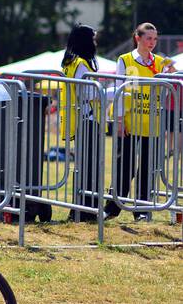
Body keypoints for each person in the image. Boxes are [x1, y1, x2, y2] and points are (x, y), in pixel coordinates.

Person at [114, 23, 177, 221]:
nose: (152, 42)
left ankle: (142, 209)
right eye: (148, 38)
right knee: (125, 165)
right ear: (137, 38)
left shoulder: (159, 62)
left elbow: (172, 83)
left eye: (155, 39)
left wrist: (171, 68)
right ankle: (114, 205)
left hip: (154, 124)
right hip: (131, 122)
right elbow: (120, 90)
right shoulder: (125, 60)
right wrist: (119, 119)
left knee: (148, 169)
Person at [60, 25, 120, 222]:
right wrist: (113, 92)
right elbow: (87, 92)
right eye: (93, 38)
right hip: (87, 118)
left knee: (86, 165)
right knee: (90, 165)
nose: (95, 42)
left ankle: (84, 208)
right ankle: (86, 209)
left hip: (82, 117)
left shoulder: (73, 61)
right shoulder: (81, 63)